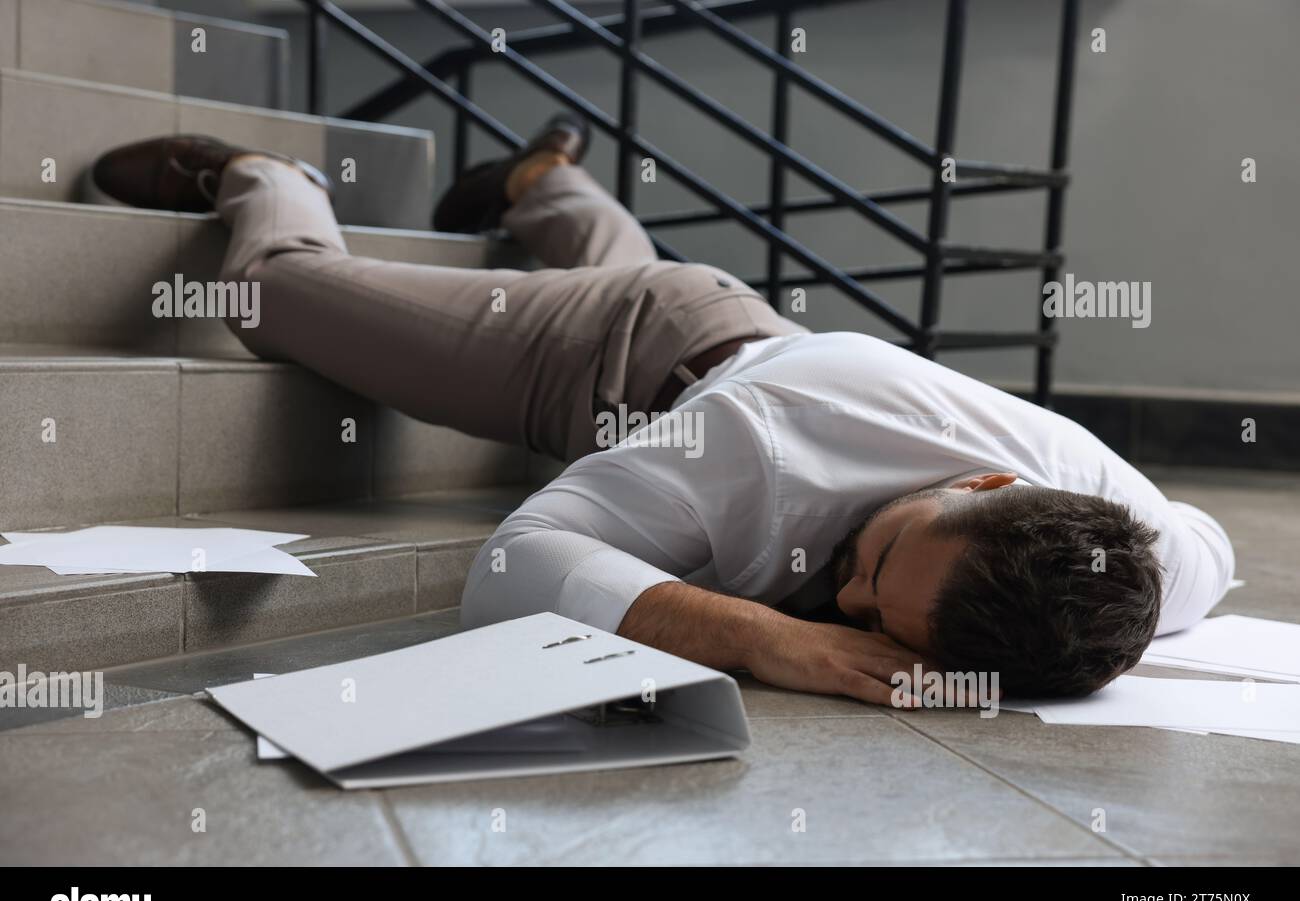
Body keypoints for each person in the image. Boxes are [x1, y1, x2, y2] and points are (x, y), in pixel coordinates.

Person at [91, 113, 1234, 704]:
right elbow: (517, 560)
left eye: (879, 620)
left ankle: (544, 187)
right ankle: (265, 173)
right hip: (625, 354)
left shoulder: (1135, 556)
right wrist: (763, 635)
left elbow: (1210, 551)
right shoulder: (757, 452)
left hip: (751, 340)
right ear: (981, 484)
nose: (843, 595)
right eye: (878, 561)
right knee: (276, 296)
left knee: (634, 272)